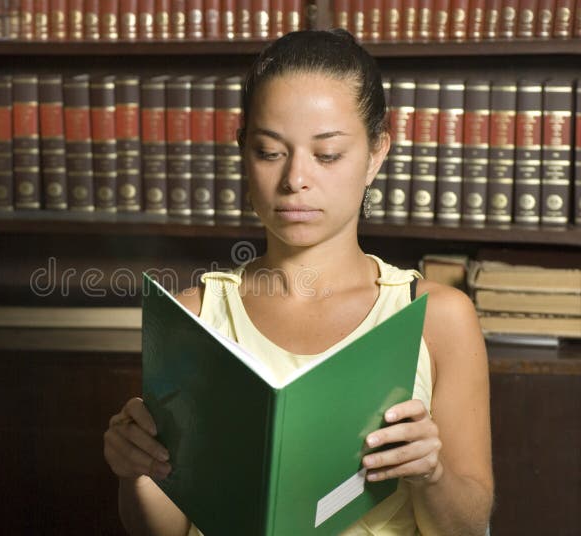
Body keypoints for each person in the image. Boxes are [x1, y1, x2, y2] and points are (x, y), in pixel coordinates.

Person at [103, 29, 493, 535]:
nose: (295, 180)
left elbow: (470, 525)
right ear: (243, 150)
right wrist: (136, 472)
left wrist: (431, 474)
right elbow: (163, 530)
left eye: (327, 155)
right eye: (269, 152)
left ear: (376, 154)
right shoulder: (194, 317)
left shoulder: (438, 318)